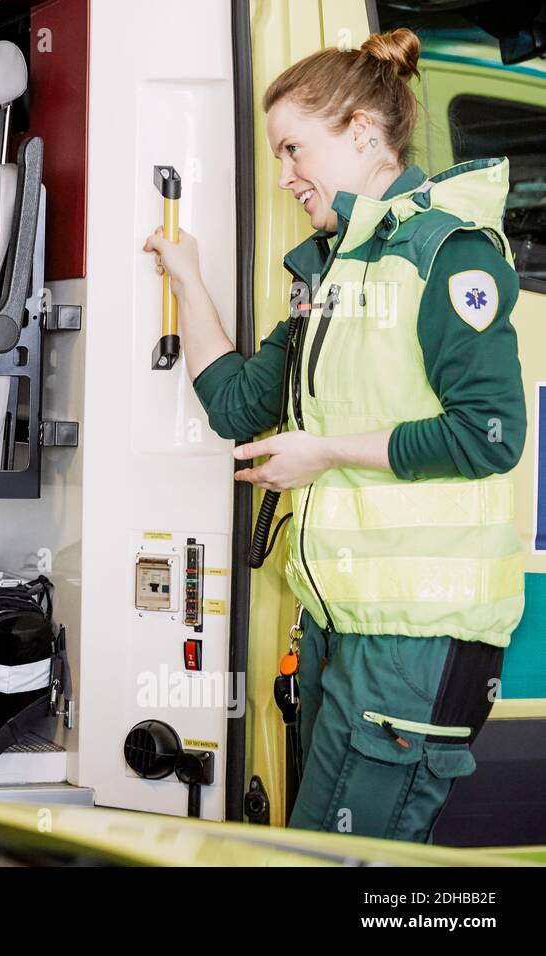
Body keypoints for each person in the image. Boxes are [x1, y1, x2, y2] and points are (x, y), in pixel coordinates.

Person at [143, 29, 524, 842]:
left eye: (292, 151)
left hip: (417, 640)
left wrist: (324, 452)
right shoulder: (330, 269)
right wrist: (186, 278)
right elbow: (239, 408)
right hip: (340, 626)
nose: (283, 178)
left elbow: (489, 434)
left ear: (360, 131)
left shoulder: (446, 256)